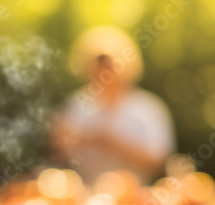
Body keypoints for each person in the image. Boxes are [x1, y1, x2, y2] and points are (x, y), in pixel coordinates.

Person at [55, 26, 175, 184]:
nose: (103, 71)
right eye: (98, 64)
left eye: (109, 64)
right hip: (86, 198)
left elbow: (159, 161)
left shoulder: (148, 108)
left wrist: (111, 142)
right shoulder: (77, 104)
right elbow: (59, 150)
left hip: (135, 196)